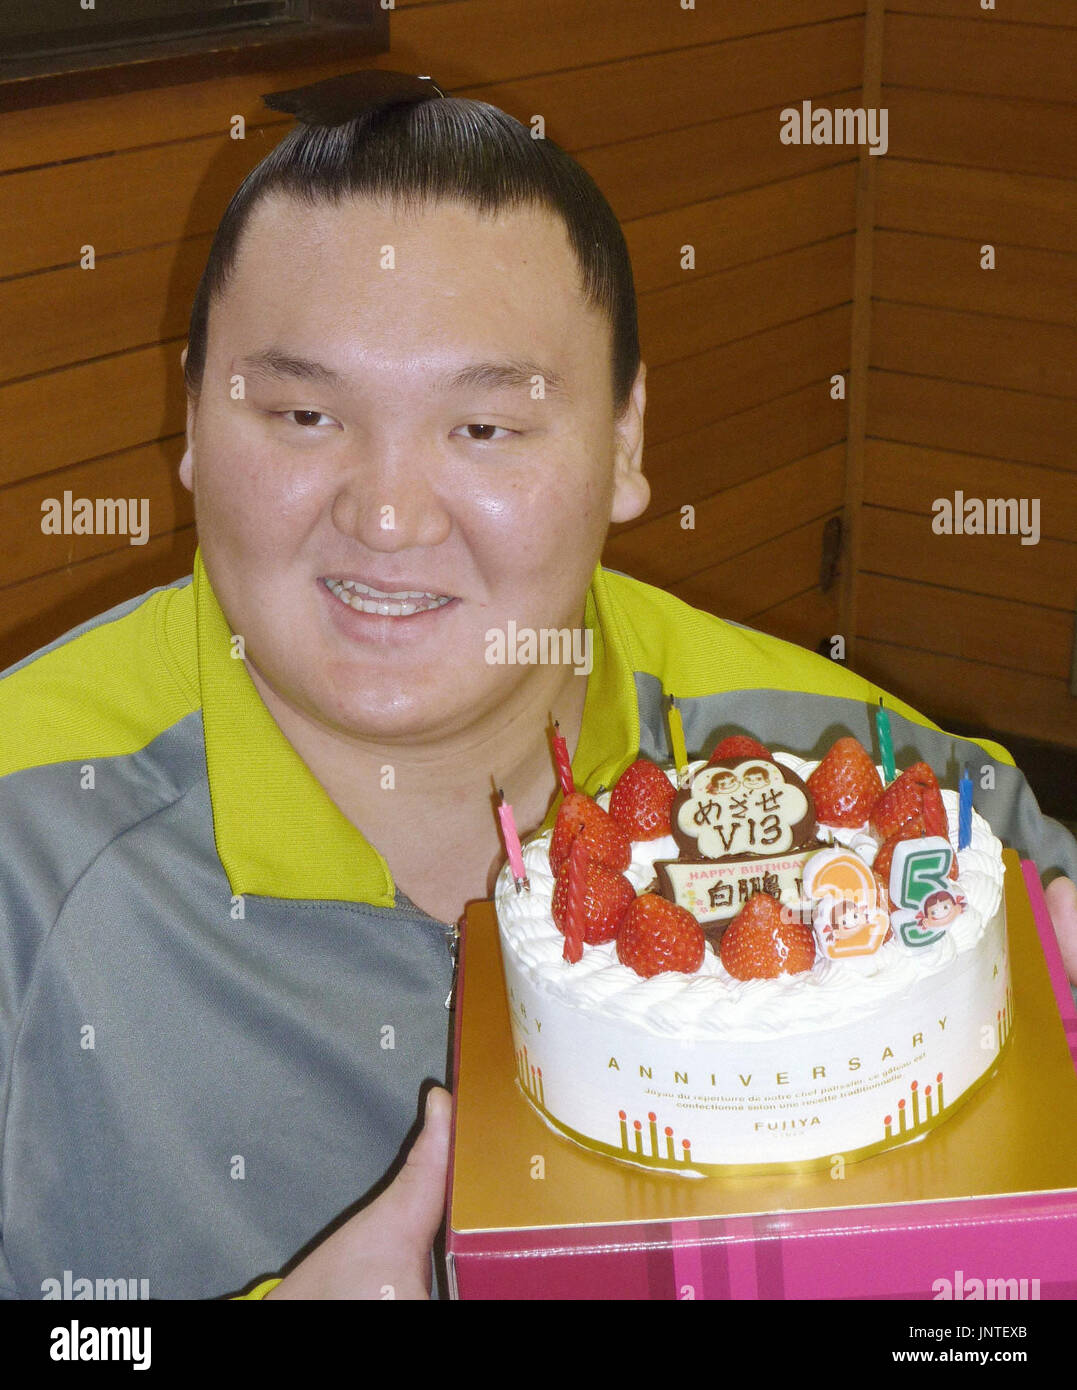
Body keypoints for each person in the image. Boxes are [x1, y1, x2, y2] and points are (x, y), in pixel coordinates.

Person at [2, 73, 1075, 1302]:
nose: (388, 514)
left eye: (486, 429)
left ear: (624, 443)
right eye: (304, 413)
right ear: (190, 417)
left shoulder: (879, 787)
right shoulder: (26, 845)